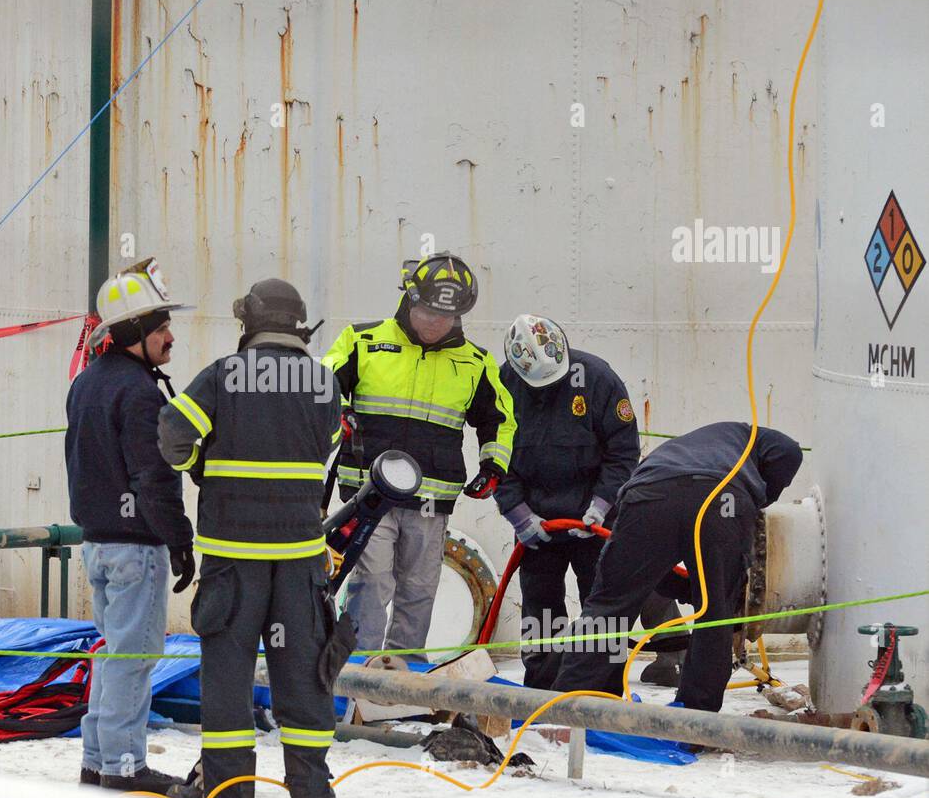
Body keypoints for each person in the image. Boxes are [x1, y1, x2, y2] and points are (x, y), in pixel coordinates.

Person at [158, 279, 343, 798]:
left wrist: (202, 468)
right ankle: (310, 786)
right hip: (299, 557)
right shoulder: (324, 382)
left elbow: (172, 432)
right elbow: (330, 443)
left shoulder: (223, 375)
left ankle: (228, 788)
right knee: (305, 672)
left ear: (251, 323)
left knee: (227, 672)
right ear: (298, 325)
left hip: (232, 556)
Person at [322, 252, 516, 661]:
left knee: (420, 588)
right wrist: (338, 411)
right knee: (372, 582)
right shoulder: (364, 341)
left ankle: (402, 677)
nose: (434, 322)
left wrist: (493, 465)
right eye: (428, 311)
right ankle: (357, 668)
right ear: (410, 299)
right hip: (368, 496)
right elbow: (323, 386)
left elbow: (499, 419)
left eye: (446, 316)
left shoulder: (475, 363)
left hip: (431, 500)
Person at [550, 422, 804, 712]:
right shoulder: (758, 437)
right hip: (724, 499)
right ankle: (694, 717)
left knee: (610, 605)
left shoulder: (681, 446)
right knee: (715, 613)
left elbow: (646, 569)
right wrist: (761, 497)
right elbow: (790, 452)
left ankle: (571, 706)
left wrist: (683, 588)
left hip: (649, 494)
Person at [493, 314, 688, 688]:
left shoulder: (598, 379)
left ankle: (605, 688)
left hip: (597, 520)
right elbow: (497, 459)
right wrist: (519, 515)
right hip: (538, 526)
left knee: (605, 607)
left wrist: (600, 506)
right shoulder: (503, 386)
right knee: (541, 609)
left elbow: (623, 453)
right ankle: (542, 687)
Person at [65, 260, 197, 795]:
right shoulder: (141, 393)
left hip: (97, 542)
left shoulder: (88, 383)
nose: (170, 336)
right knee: (134, 656)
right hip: (135, 547)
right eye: (161, 327)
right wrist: (180, 539)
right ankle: (122, 766)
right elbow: (154, 477)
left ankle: (98, 761)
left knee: (115, 652)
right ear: (135, 335)